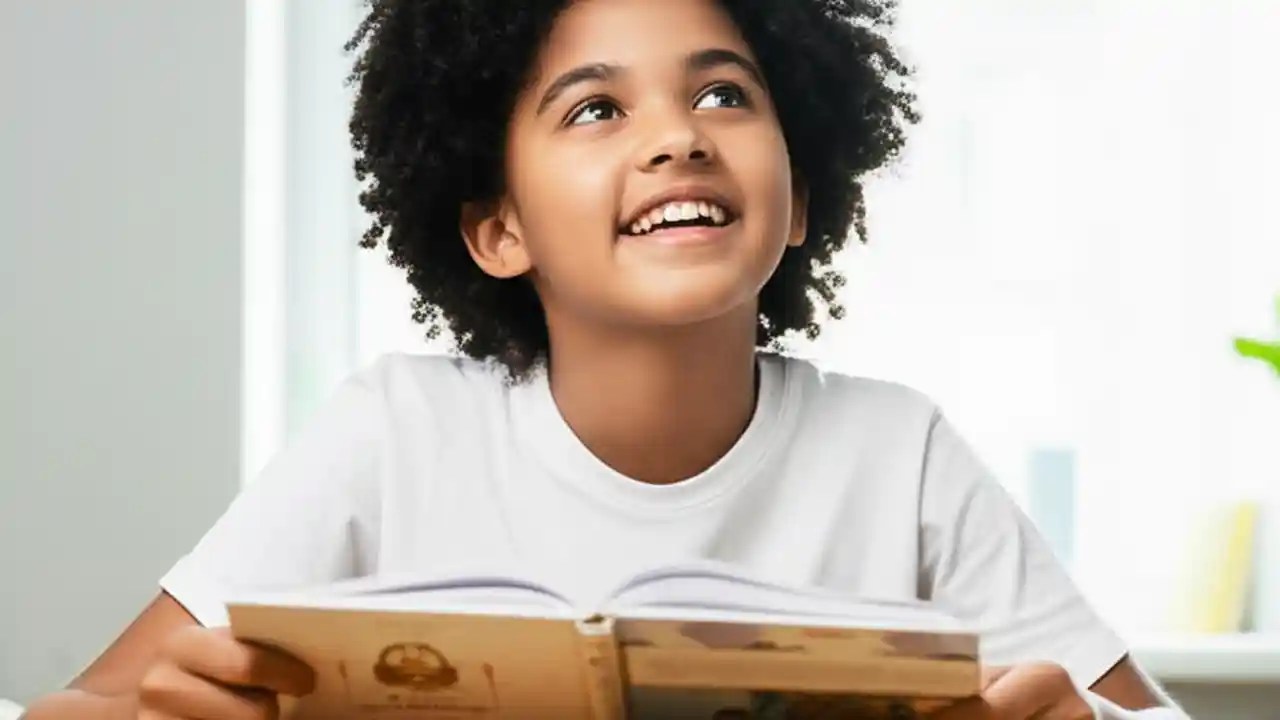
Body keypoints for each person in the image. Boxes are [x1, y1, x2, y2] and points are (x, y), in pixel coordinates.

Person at [26, 0, 1187, 718]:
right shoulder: (394, 434)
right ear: (497, 230)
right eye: (593, 111)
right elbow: (84, 705)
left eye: (723, 93)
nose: (677, 136)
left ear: (798, 200)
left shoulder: (901, 453)